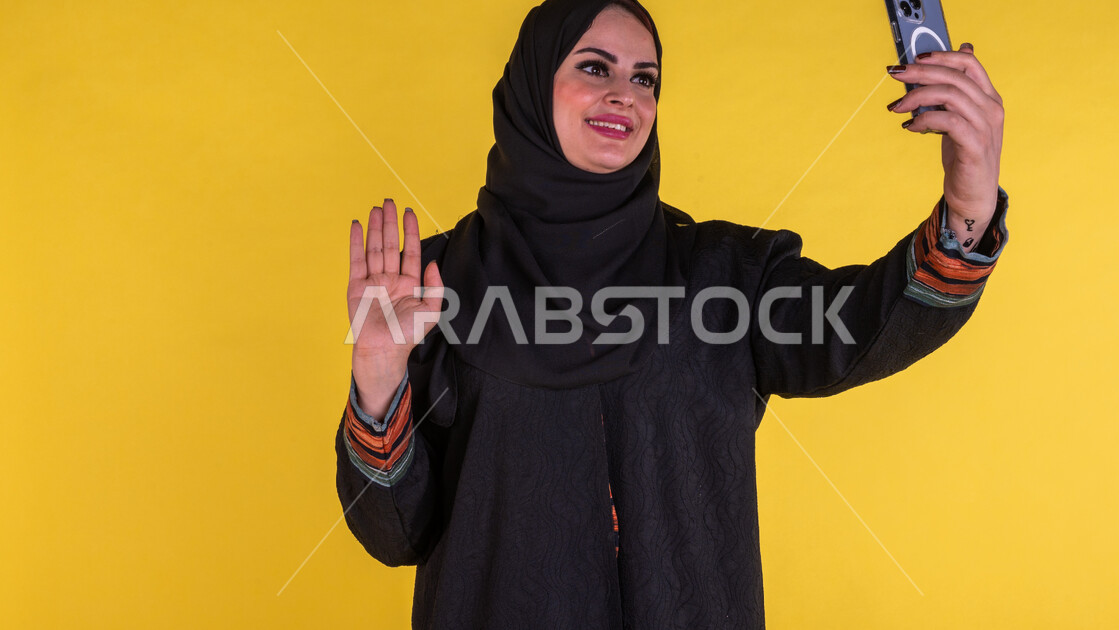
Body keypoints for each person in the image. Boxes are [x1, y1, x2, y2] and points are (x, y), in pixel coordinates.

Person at [335, 0, 1008, 627]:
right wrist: (377, 374)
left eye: (646, 79)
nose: (625, 96)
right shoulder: (433, 287)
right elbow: (396, 533)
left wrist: (969, 193)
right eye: (594, 67)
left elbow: (864, 329)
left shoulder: (725, 276)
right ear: (532, 89)